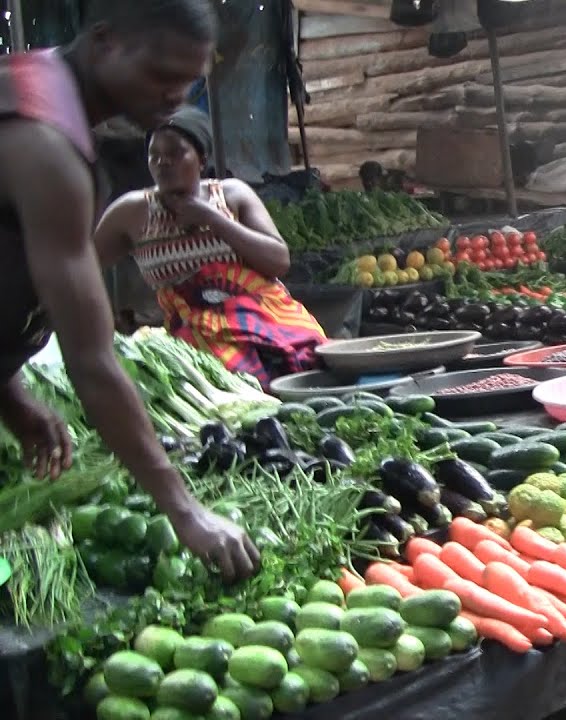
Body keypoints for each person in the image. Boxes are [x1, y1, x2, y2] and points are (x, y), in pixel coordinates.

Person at [0, 0, 259, 581]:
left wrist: (10, 397)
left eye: (188, 81)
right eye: (161, 74)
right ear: (105, 40)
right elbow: (91, 360)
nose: (175, 96)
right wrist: (187, 511)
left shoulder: (29, 85)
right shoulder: (44, 145)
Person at [94, 107, 326, 387]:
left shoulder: (231, 195)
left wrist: (212, 219)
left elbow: (279, 261)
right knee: (237, 380)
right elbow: (83, 264)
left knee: (313, 364)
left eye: (175, 153)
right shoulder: (133, 212)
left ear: (202, 159)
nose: (163, 162)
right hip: (194, 330)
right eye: (154, 155)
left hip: (265, 315)